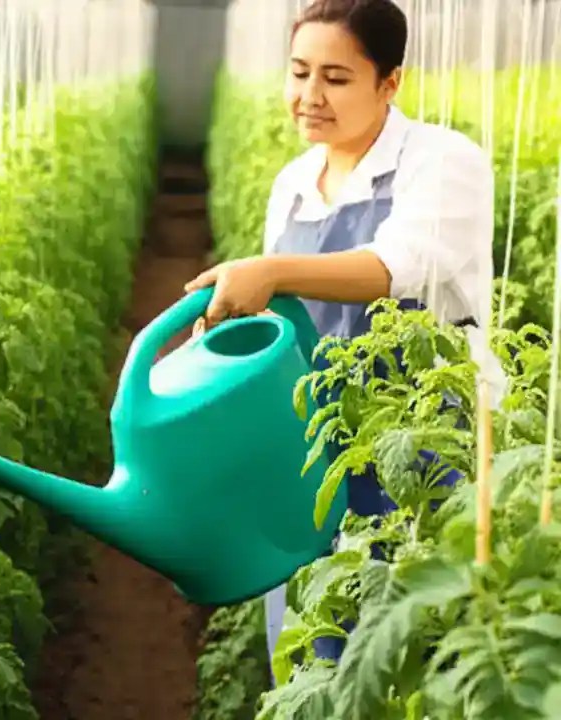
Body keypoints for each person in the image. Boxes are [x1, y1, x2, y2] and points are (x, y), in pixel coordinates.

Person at [180, 0, 507, 675]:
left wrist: (270, 270)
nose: (309, 96)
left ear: (390, 83)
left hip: (424, 443)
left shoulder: (443, 161)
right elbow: (290, 327)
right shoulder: (294, 185)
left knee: (412, 653)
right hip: (320, 448)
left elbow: (399, 268)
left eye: (336, 77)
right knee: (313, 649)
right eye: (299, 73)